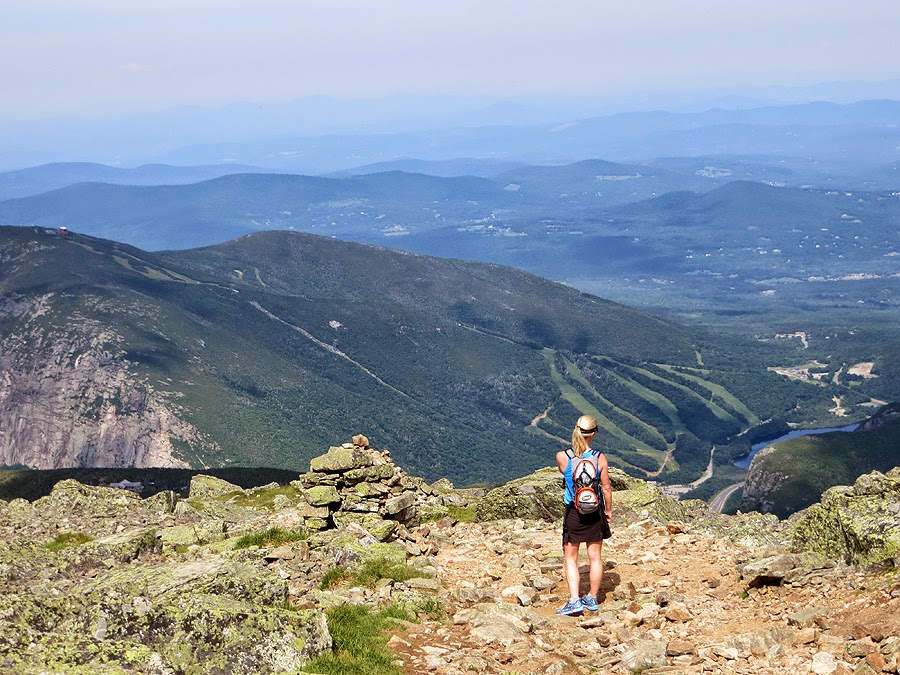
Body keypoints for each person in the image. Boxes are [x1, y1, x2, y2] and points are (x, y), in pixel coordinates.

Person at [555, 415, 612, 616]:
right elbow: (606, 488)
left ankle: (574, 601)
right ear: (594, 434)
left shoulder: (563, 457)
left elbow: (567, 478)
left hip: (574, 511)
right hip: (595, 511)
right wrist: (608, 511)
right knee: (595, 557)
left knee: (570, 558)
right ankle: (592, 598)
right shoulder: (600, 457)